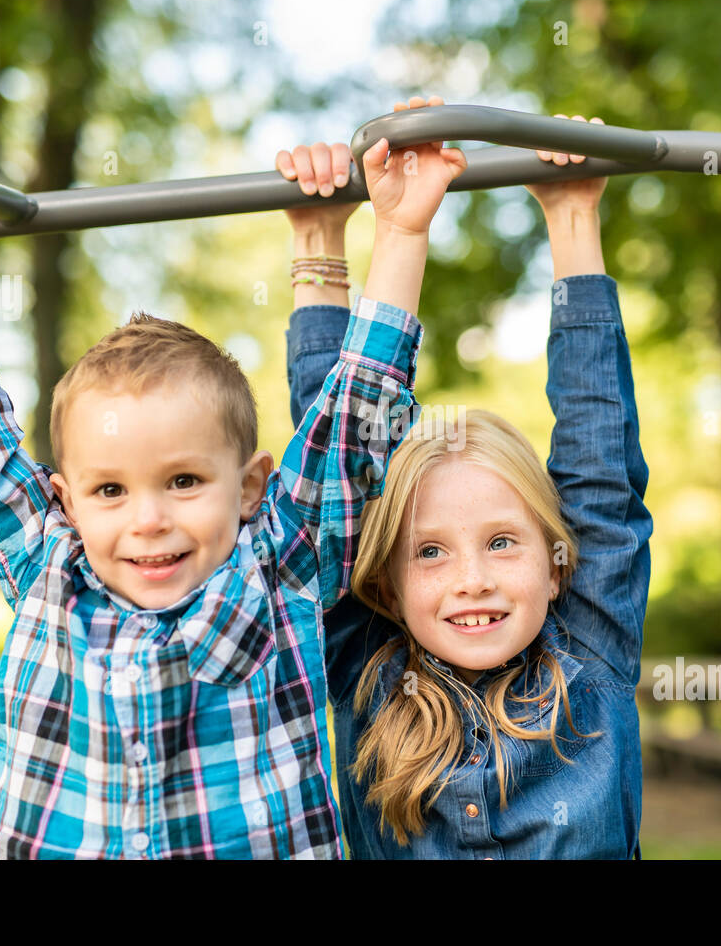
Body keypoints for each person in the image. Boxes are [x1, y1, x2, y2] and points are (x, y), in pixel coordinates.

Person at [0, 102, 463, 858]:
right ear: (66, 498)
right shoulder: (48, 565)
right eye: (110, 490)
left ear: (248, 489)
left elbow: (359, 409)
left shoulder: (281, 566)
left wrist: (402, 230)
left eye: (182, 481)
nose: (148, 520)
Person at [278, 99, 652, 858]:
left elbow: (599, 462)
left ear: (558, 567)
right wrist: (320, 242)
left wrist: (572, 217)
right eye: (430, 551)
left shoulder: (589, 652)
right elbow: (337, 471)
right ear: (381, 582)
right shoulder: (365, 667)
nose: (472, 579)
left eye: (504, 542)